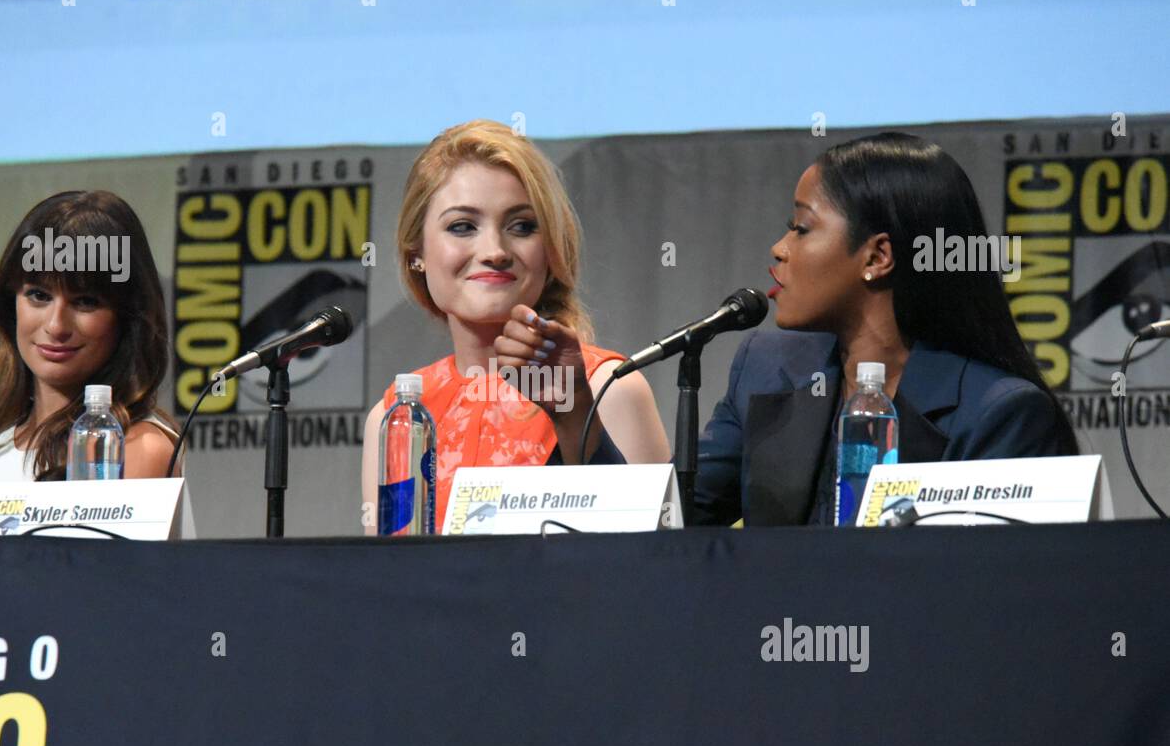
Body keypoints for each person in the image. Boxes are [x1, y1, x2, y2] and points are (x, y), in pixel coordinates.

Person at [694, 132, 1079, 526]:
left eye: (802, 228)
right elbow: (673, 514)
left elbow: (993, 578)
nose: (780, 248)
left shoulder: (1000, 414)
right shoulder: (765, 369)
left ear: (877, 256)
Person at [361, 120, 670, 534]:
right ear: (416, 251)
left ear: (551, 250)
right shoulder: (395, 415)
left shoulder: (610, 389)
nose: (495, 252)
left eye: (522, 226)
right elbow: (384, 582)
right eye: (462, 227)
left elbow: (648, 575)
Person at [0, 190, 181, 539]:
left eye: (86, 301)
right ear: (9, 303)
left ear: (127, 317)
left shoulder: (137, 448)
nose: (56, 326)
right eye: (39, 295)